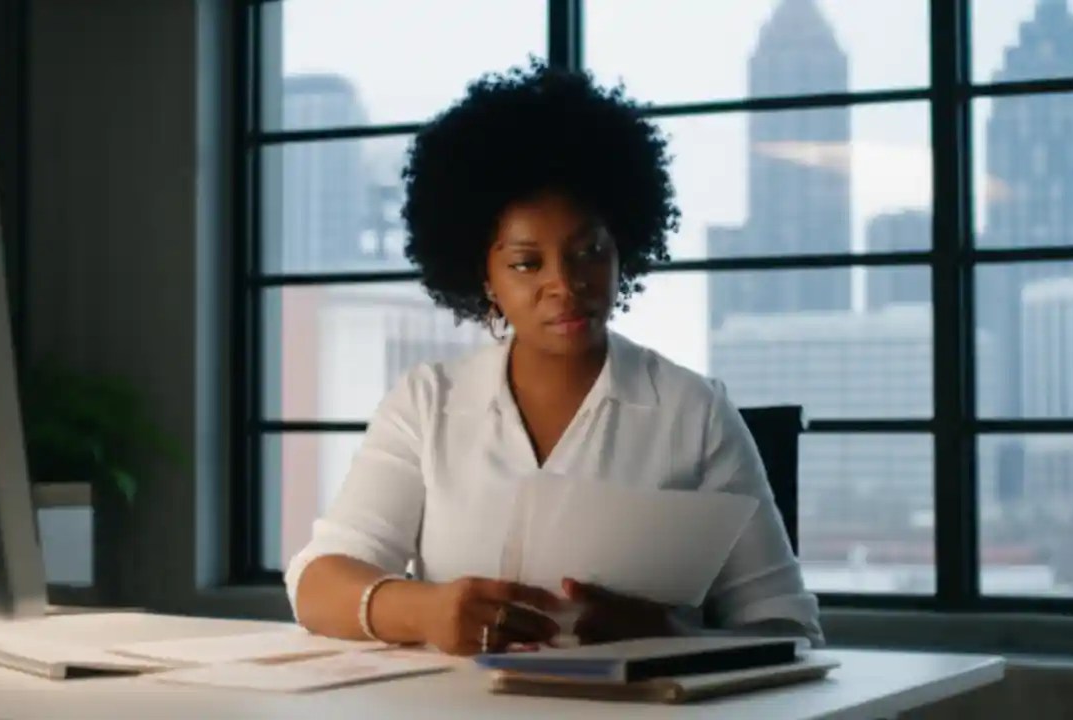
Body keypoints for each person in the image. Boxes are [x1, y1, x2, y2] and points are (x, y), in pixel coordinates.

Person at [285, 61, 821, 656]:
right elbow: (317, 585)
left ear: (622, 249)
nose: (564, 285)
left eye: (588, 252)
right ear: (484, 277)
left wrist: (672, 638)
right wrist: (427, 611)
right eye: (526, 263)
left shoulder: (695, 414)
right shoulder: (427, 404)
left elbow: (791, 630)